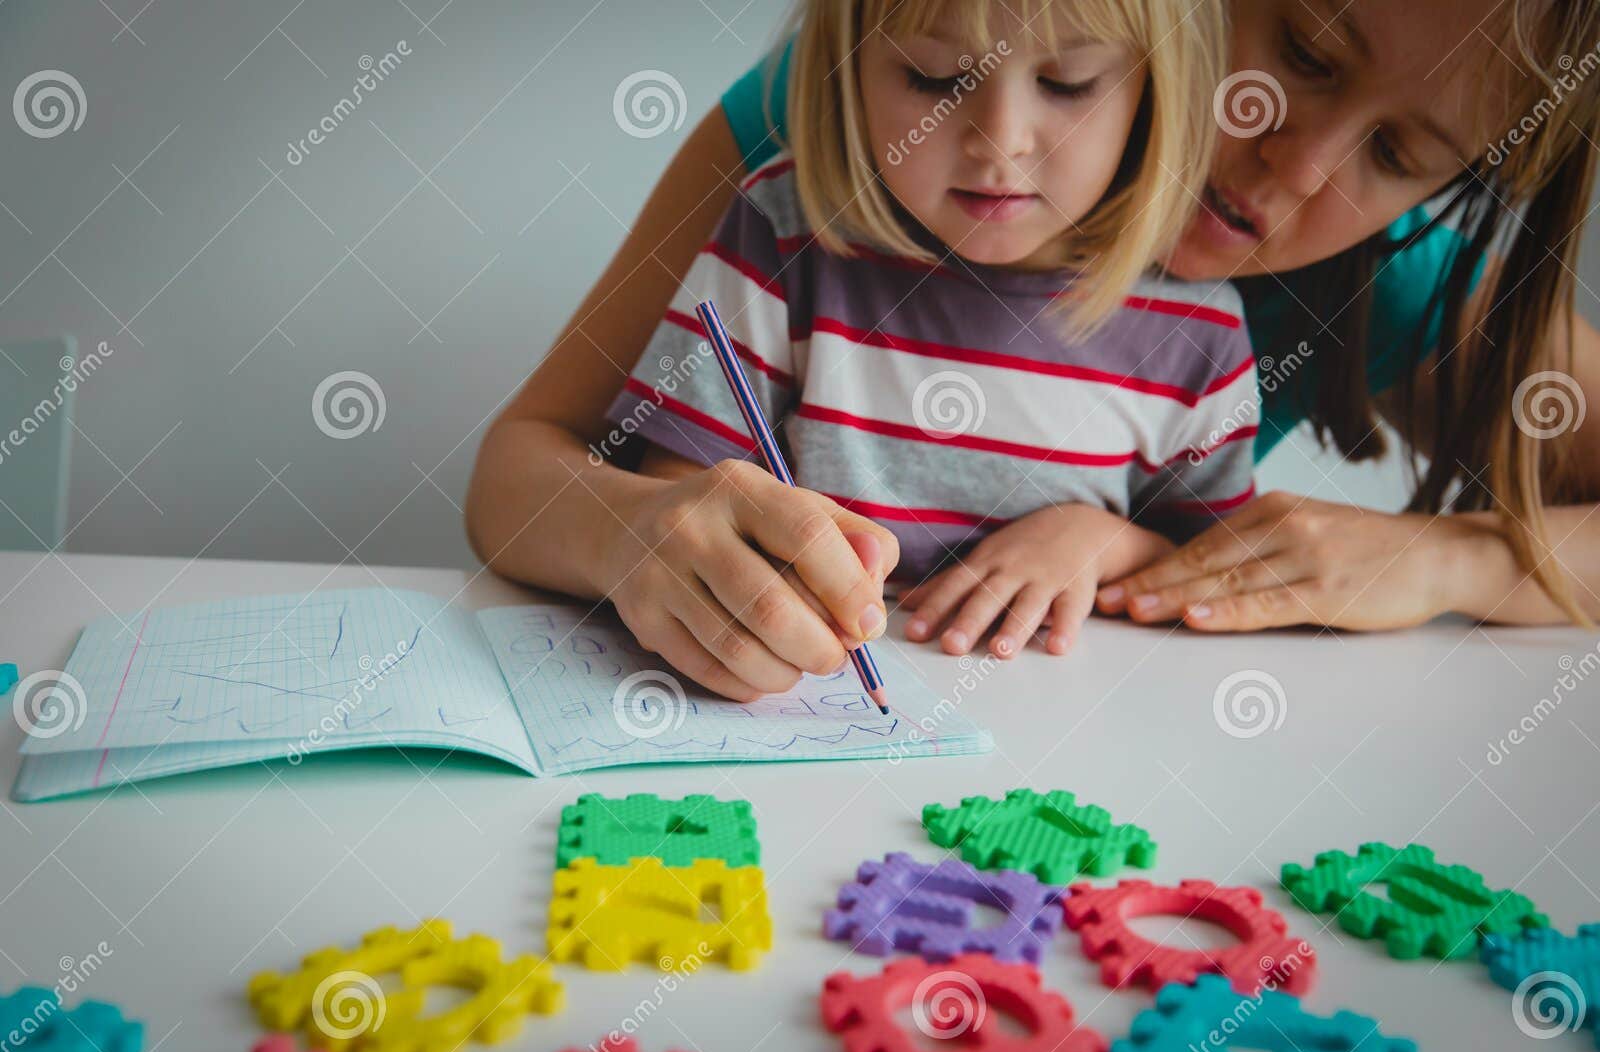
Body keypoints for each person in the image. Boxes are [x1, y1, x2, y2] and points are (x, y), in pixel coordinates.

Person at [466, 0, 1600, 703]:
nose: (1295, 169)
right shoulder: (880, 99)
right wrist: (635, 530)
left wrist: (1456, 561)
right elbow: (524, 463)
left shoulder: (1386, 272)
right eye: (1303, 49)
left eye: (1401, 151)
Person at [604, 0, 1258, 684]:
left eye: (1067, 83)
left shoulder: (1198, 329)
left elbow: (1211, 566)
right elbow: (682, 505)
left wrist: (1101, 542)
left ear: (1156, 93)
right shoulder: (782, 238)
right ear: (849, 72)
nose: (1000, 143)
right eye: (934, 77)